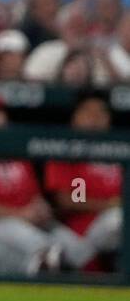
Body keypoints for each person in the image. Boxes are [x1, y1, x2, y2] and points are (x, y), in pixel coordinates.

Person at [0, 90, 96, 275]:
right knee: (46, 247)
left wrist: (40, 208)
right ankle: (47, 271)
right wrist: (21, 214)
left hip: (28, 219)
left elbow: (34, 195)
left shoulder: (17, 153)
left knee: (78, 249)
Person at [43, 93, 123, 268]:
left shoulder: (119, 151)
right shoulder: (66, 151)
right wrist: (109, 205)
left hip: (114, 239)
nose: (95, 118)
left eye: (101, 113)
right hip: (76, 232)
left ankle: (75, 258)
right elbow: (69, 200)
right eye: (88, 112)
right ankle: (78, 256)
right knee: (117, 217)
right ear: (74, 117)